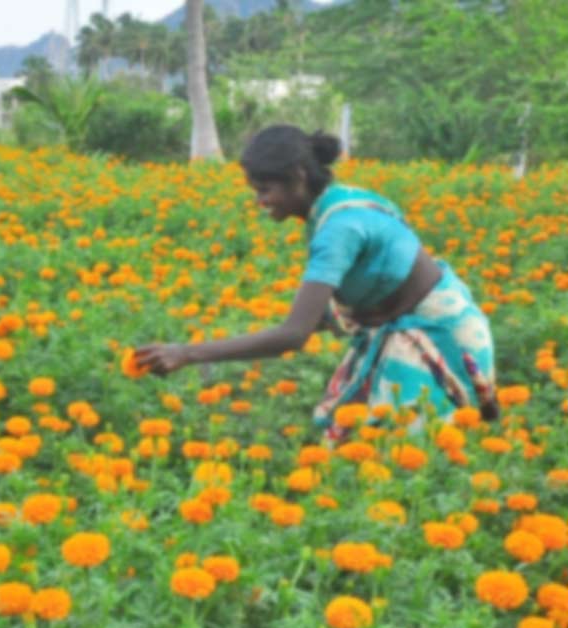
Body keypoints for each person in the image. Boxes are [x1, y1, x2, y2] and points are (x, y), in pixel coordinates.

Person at [135, 125, 498, 441]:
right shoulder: (334, 206)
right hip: (401, 329)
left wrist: (188, 352)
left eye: (265, 189)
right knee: (360, 446)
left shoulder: (339, 228)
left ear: (298, 175)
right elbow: (363, 291)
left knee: (402, 456)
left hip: (440, 338)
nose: (260, 201)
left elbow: (294, 335)